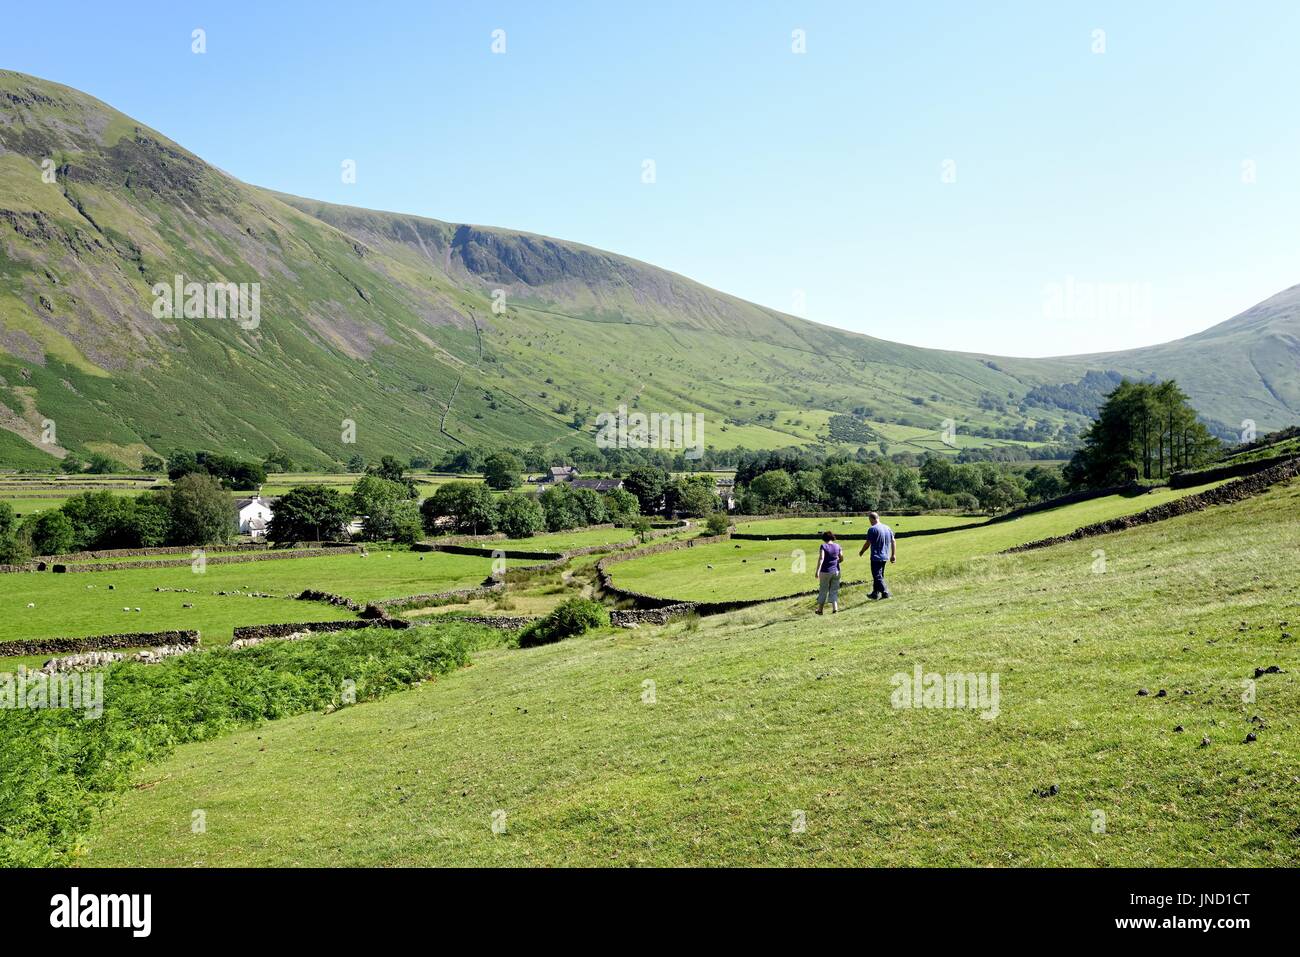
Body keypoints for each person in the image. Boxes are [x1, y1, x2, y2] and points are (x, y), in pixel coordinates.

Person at [858, 511, 895, 599]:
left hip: (876, 556)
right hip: (885, 555)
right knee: (879, 575)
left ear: (871, 519)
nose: (870, 522)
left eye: (869, 520)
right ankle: (875, 593)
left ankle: (885, 592)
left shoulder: (872, 529)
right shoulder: (887, 528)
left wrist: (862, 551)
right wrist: (893, 555)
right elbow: (893, 541)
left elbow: (868, 543)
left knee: (877, 576)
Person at [814, 531, 843, 614]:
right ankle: (835, 608)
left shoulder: (823, 546)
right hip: (836, 571)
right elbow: (841, 558)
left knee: (823, 589)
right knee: (834, 589)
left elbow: (821, 558)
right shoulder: (838, 546)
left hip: (825, 571)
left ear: (824, 538)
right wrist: (837, 561)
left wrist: (817, 571)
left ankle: (820, 610)